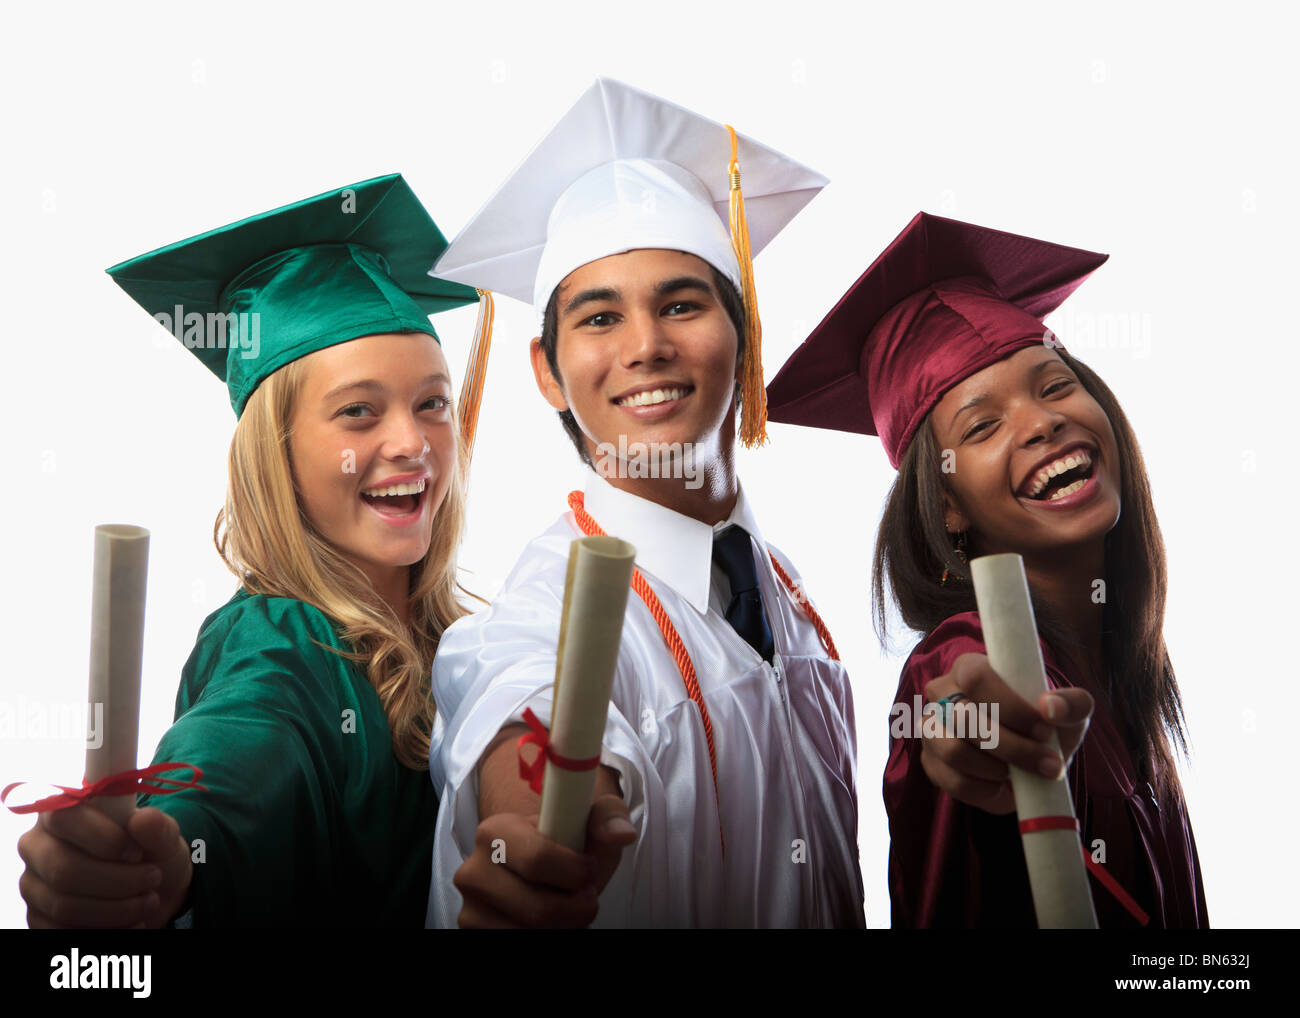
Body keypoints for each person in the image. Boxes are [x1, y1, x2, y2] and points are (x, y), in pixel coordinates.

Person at [425, 78, 865, 928]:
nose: (648, 345)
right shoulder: (545, 610)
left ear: (744, 333)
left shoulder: (791, 595)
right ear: (547, 371)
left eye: (681, 303)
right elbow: (525, 710)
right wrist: (533, 822)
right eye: (598, 318)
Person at [15, 174, 486, 927]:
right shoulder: (283, 641)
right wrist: (166, 854)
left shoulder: (466, 643)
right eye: (358, 411)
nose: (410, 443)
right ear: (279, 454)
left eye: (431, 403)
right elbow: (237, 761)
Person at [766, 211, 1209, 928]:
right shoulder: (971, 652)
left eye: (1056, 386)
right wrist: (960, 724)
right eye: (982, 425)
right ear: (947, 507)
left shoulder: (1123, 684)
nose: (1040, 423)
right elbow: (953, 700)